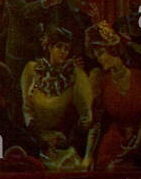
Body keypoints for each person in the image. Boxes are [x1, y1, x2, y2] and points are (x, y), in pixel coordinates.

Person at [86, 23, 141, 170]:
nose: (99, 59)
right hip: (115, 142)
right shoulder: (101, 80)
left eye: (101, 53)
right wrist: (87, 157)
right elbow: (96, 122)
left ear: (114, 50)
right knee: (111, 168)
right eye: (96, 55)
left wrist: (137, 143)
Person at [20, 28, 92, 167]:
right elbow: (27, 109)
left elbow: (86, 117)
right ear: (49, 47)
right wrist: (39, 140)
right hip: (36, 142)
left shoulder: (75, 75)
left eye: (66, 48)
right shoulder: (32, 70)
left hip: (63, 147)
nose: (63, 52)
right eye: (59, 47)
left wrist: (68, 140)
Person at [2, 0, 57, 81]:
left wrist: (49, 35)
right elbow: (24, 10)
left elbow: (52, 18)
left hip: (37, 50)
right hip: (17, 51)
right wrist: (44, 3)